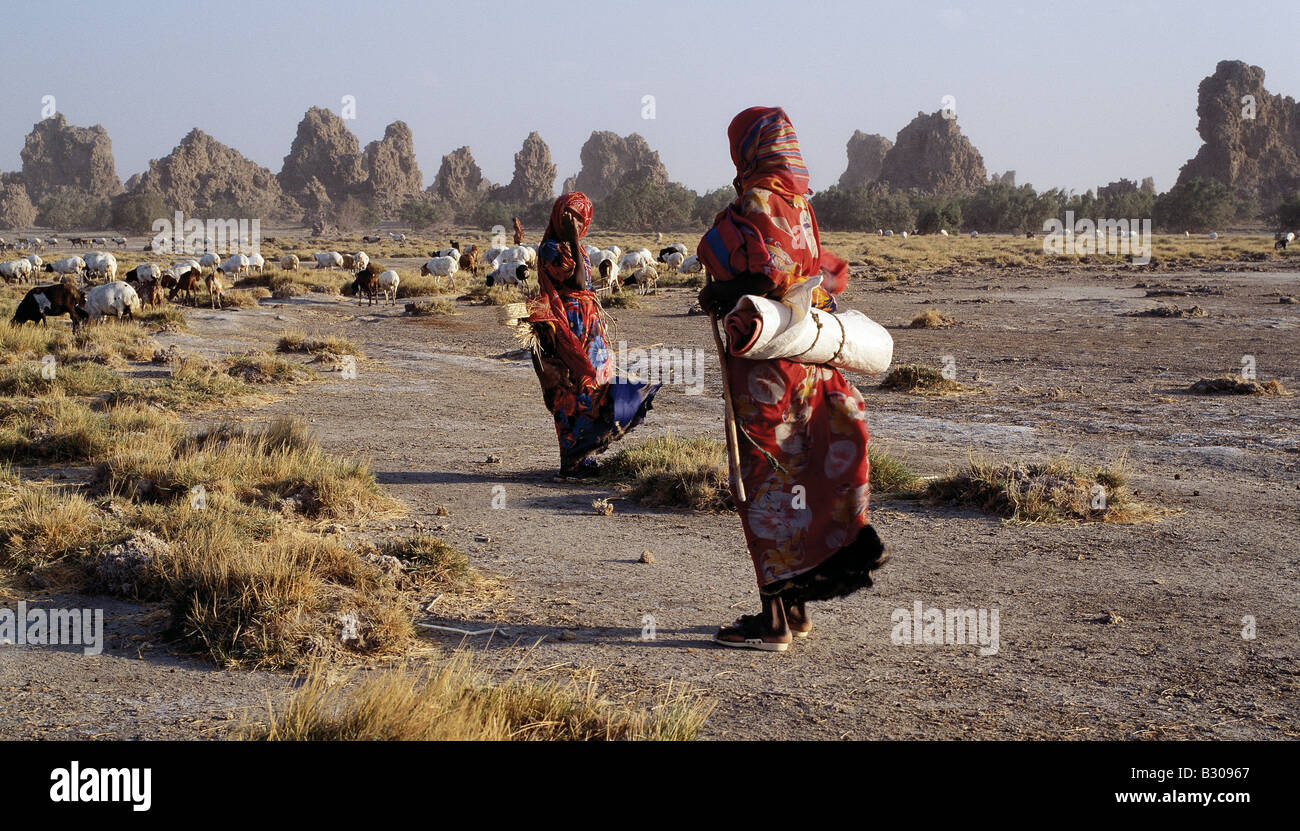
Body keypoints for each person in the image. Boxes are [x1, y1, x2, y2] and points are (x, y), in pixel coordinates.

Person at [697, 107, 889, 652]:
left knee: (765, 485)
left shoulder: (757, 200)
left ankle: (774, 621)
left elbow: (767, 276)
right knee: (796, 478)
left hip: (765, 370)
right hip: (805, 361)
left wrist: (717, 294)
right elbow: (807, 274)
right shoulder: (802, 205)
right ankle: (797, 610)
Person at [528, 192, 659, 477]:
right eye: (569, 214)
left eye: (579, 216)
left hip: (589, 327)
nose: (573, 221)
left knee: (596, 384)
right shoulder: (551, 249)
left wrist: (576, 244)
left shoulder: (580, 250)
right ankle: (572, 460)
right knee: (571, 388)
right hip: (567, 328)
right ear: (558, 215)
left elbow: (587, 284)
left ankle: (586, 453)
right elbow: (578, 281)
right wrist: (575, 241)